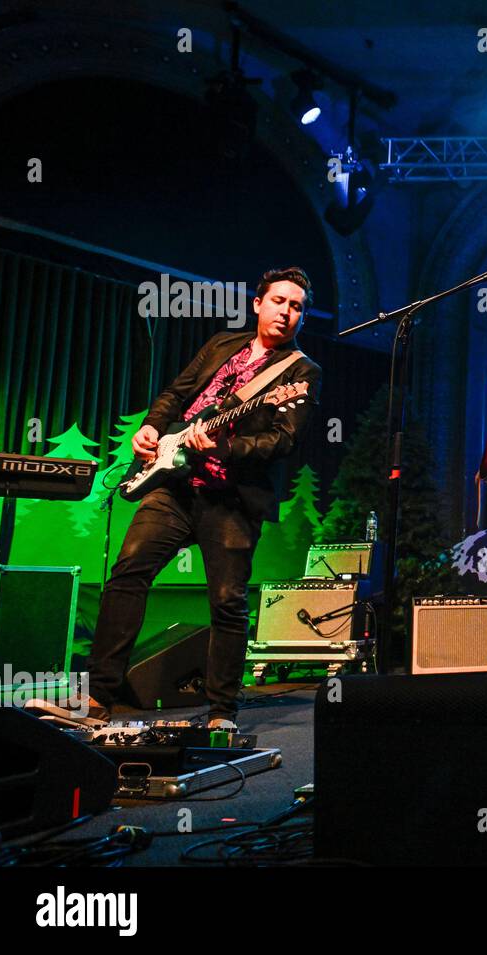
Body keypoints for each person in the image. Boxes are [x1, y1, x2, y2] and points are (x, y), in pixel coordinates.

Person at [32, 267, 322, 730]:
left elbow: (282, 440)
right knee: (128, 574)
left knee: (227, 602)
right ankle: (98, 699)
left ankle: (222, 712)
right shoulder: (222, 345)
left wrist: (226, 446)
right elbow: (178, 393)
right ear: (258, 304)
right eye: (279, 301)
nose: (287, 312)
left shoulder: (301, 373)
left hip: (230, 498)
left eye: (297, 307)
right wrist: (150, 427)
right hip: (173, 482)